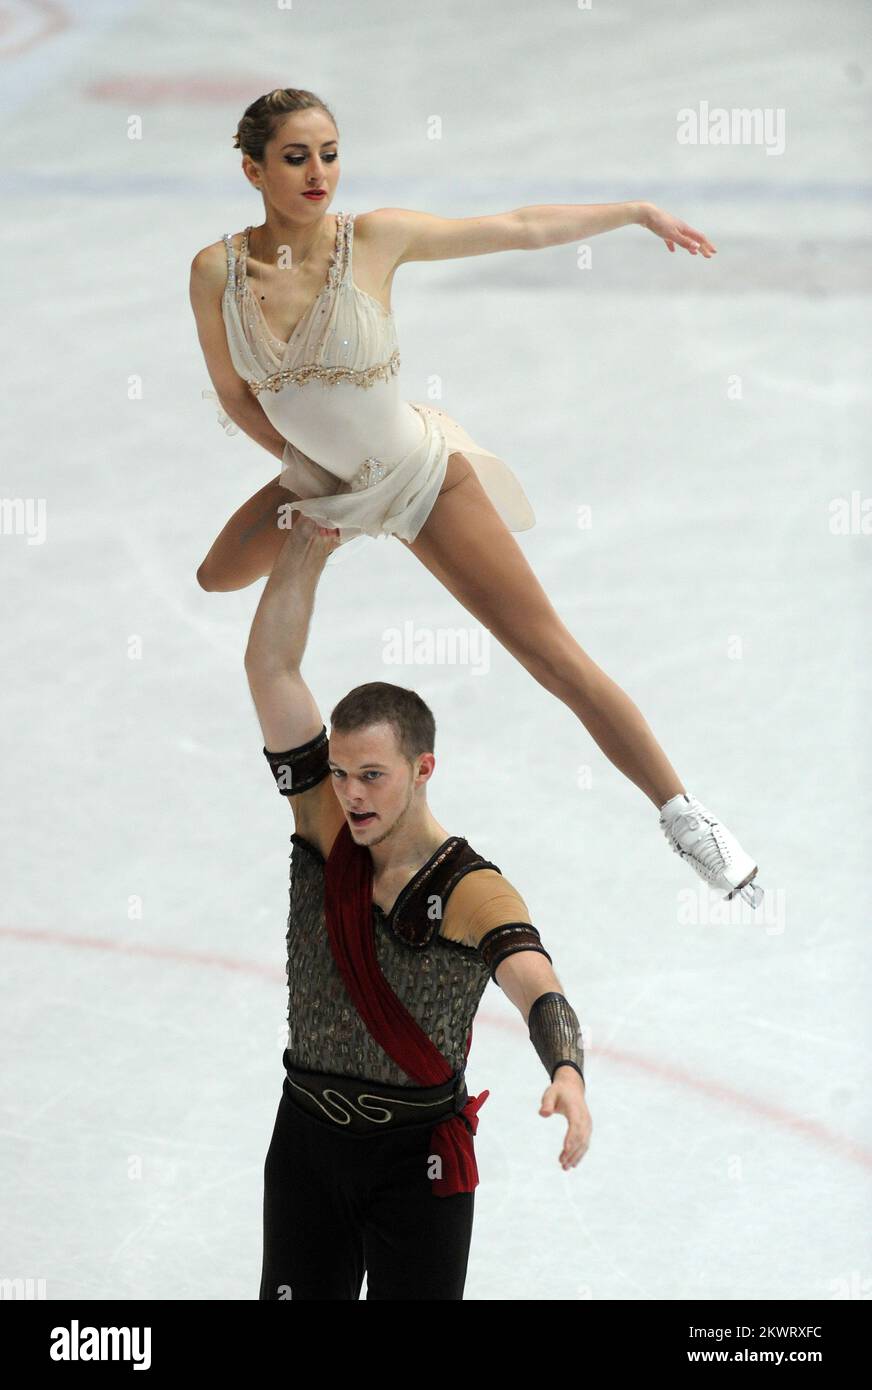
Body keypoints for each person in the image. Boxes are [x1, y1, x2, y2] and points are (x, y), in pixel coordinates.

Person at [189, 86, 764, 908]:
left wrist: (635, 212)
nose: (319, 172)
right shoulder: (215, 271)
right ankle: (323, 522)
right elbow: (237, 395)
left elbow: (520, 228)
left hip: (420, 478)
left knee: (548, 654)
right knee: (217, 577)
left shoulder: (376, 239)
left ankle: (685, 816)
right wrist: (311, 476)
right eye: (294, 157)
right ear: (251, 168)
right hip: (324, 482)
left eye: (329, 153)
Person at [246, 513, 591, 1299]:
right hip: (306, 1144)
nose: (350, 793)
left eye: (372, 775)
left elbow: (538, 985)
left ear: (423, 767)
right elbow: (272, 668)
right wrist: (306, 546)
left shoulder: (471, 888)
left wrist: (566, 1070)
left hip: (418, 1163)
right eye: (338, 772)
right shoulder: (326, 829)